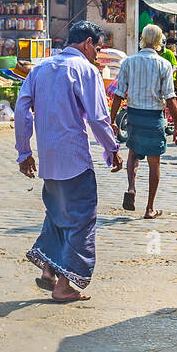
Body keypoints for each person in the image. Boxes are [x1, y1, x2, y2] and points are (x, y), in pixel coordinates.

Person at [16, 20, 123, 302]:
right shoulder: (85, 70)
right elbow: (99, 117)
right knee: (81, 220)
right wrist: (111, 148)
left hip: (49, 160)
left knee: (58, 214)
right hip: (74, 159)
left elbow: (21, 109)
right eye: (97, 49)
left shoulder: (40, 68)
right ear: (87, 43)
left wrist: (24, 151)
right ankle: (64, 285)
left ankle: (49, 271)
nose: (97, 56)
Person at [109, 23, 177, 218]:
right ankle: (150, 208)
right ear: (159, 42)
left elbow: (118, 94)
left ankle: (131, 187)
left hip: (133, 114)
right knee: (154, 162)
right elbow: (170, 98)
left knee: (133, 153)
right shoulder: (164, 64)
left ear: (142, 40)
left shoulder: (128, 62)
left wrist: (112, 119)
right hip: (154, 117)